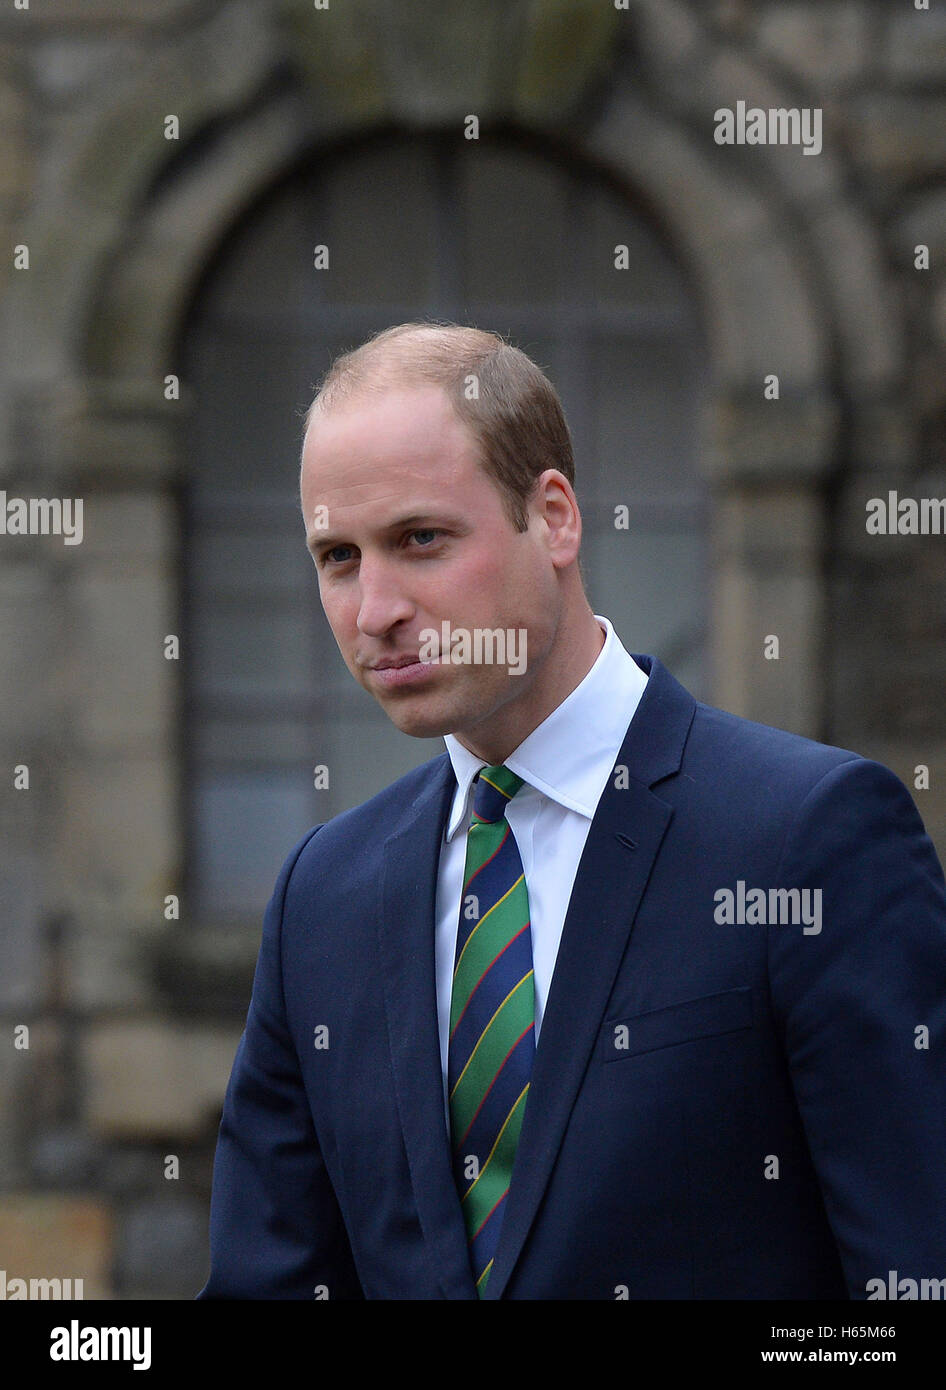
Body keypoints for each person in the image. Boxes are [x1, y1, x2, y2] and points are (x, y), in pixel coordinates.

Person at [198, 322, 946, 1300]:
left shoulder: (806, 837)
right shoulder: (322, 898)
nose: (374, 608)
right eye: (337, 556)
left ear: (552, 516)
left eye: (419, 538)